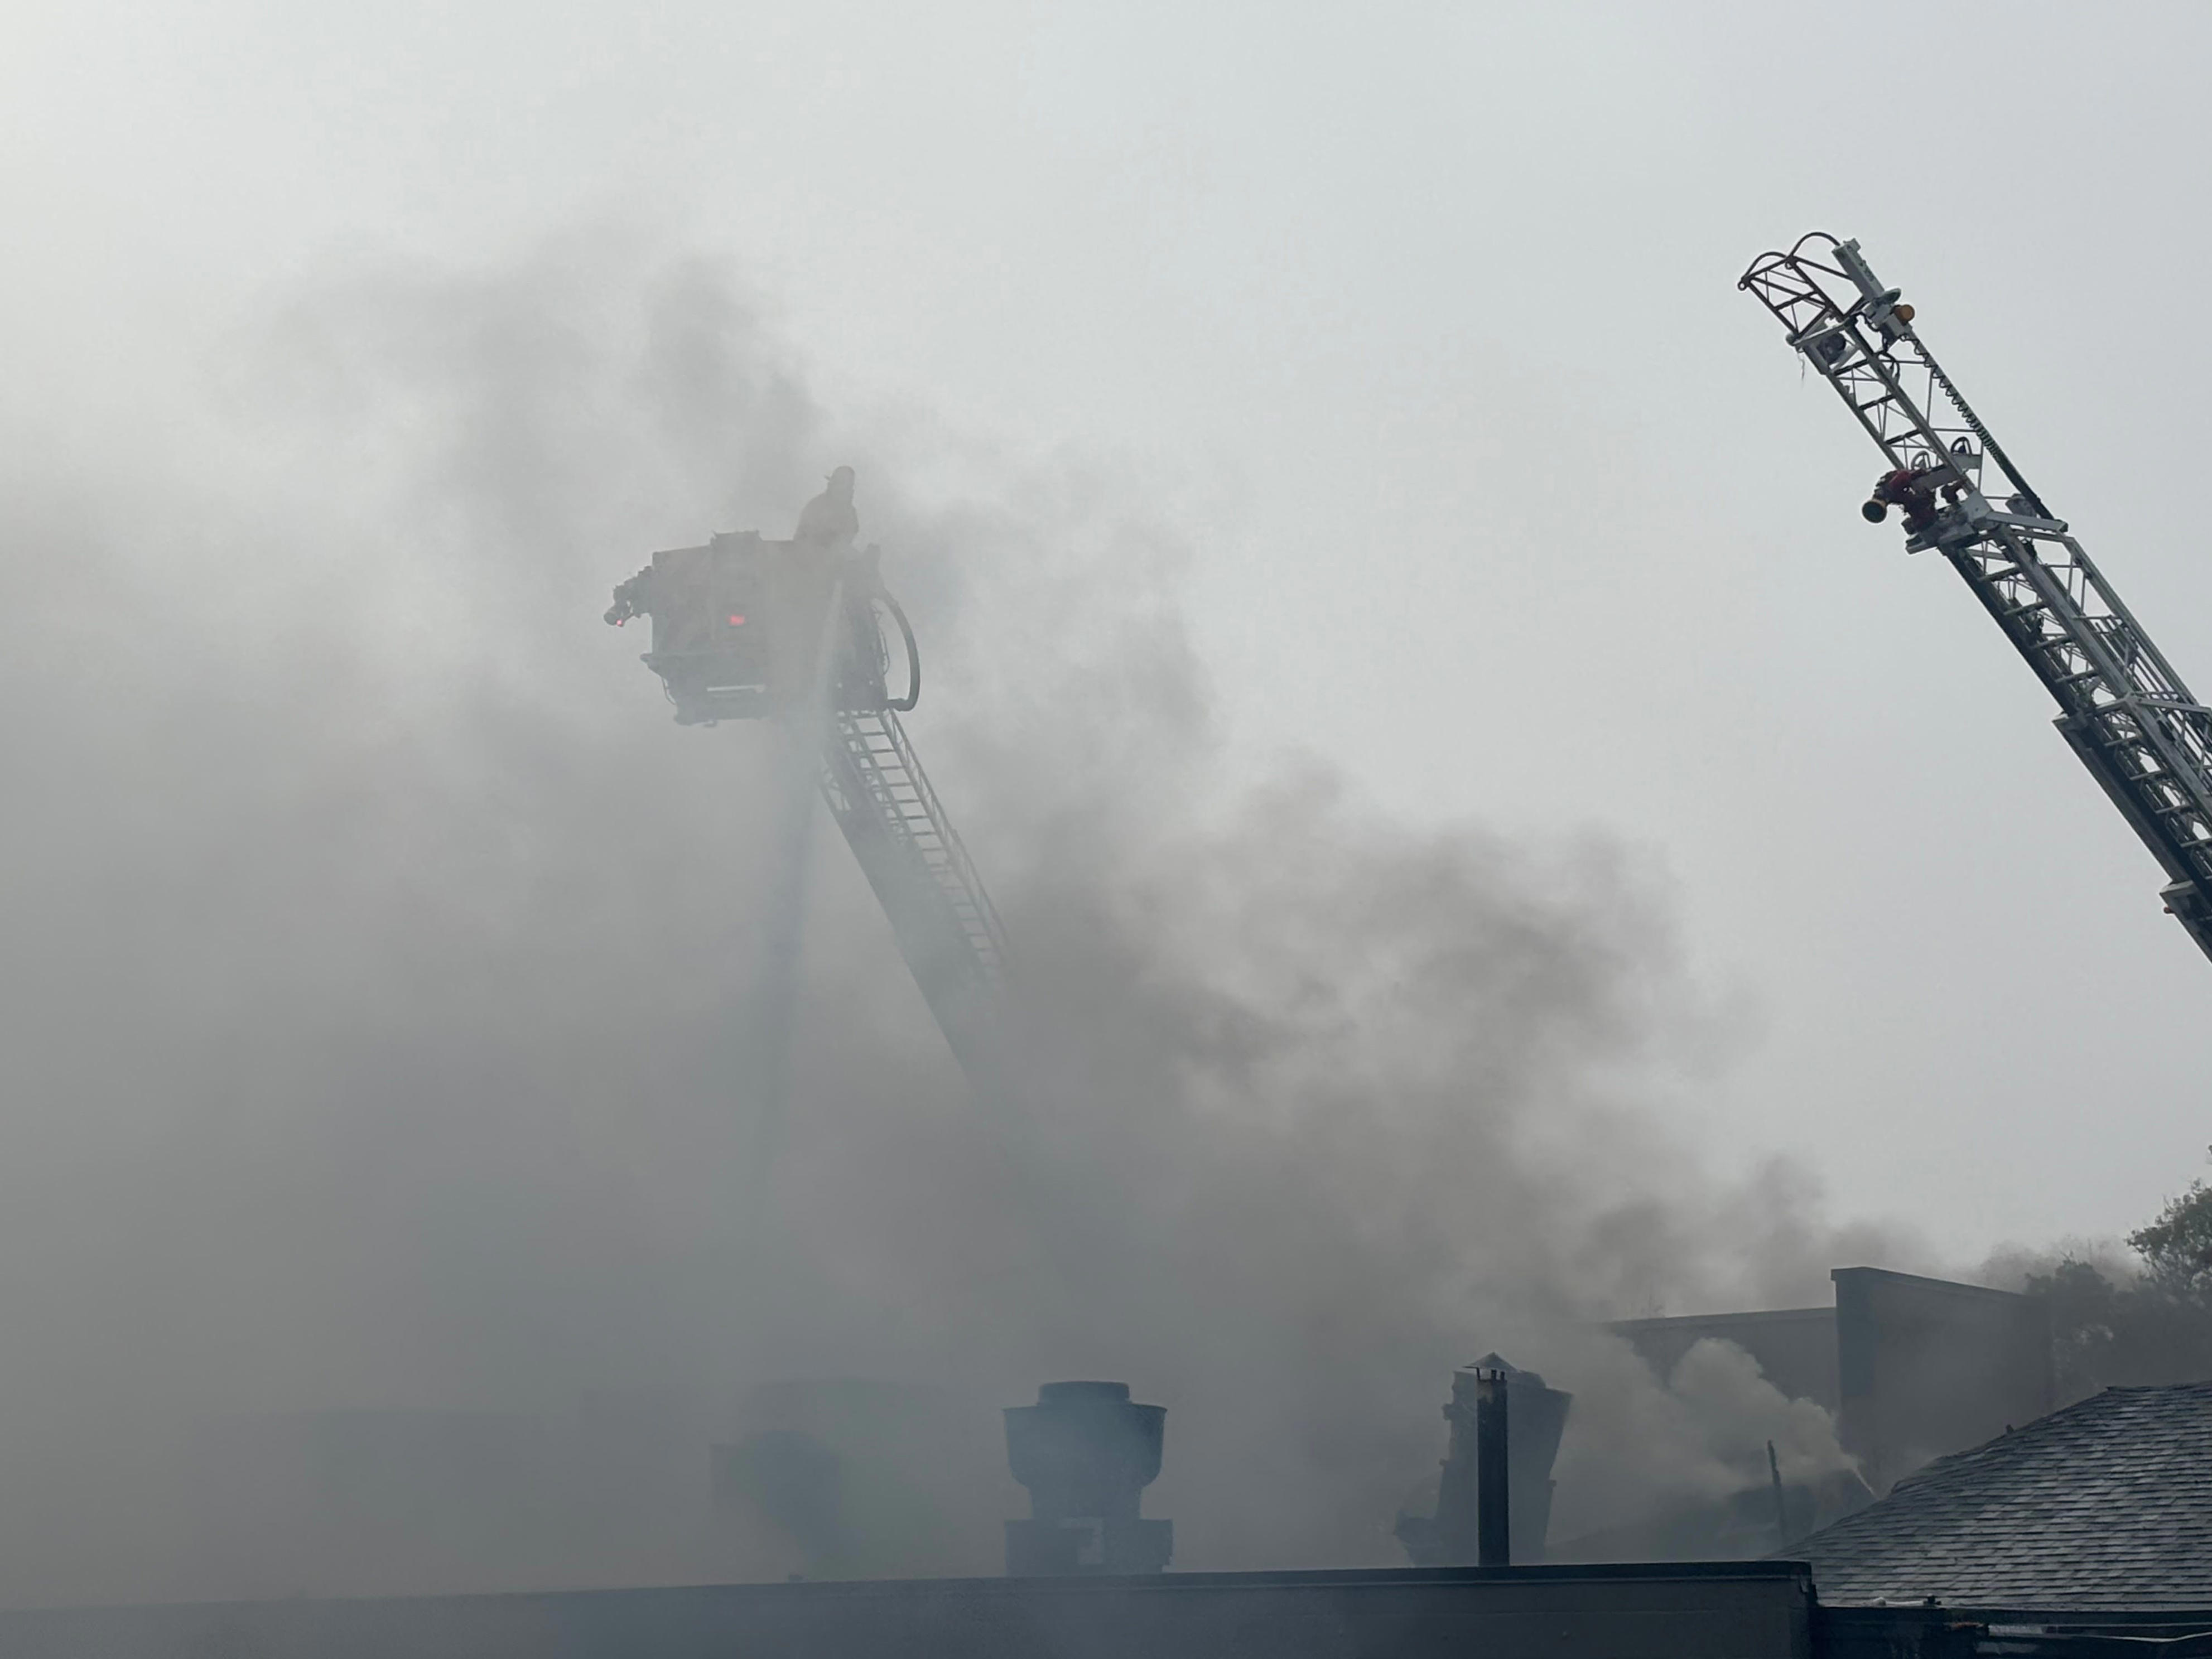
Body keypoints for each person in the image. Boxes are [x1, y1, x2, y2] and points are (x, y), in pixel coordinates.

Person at [794, 465, 859, 551]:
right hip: (810, 556)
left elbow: (849, 537)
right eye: (844, 486)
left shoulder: (850, 512)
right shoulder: (816, 506)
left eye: (849, 487)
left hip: (836, 558)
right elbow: (804, 538)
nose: (849, 491)